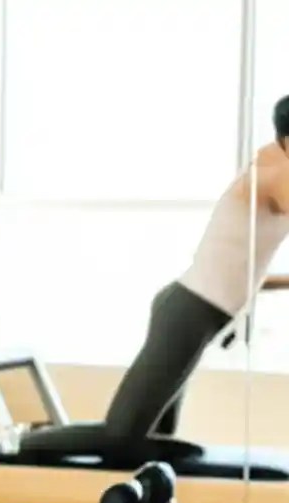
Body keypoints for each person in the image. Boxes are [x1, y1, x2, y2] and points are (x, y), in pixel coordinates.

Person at [103, 94, 289, 441]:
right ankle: (13, 444)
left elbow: (243, 267)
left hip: (195, 311)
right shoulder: (275, 167)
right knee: (121, 438)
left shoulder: (276, 164)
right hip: (189, 312)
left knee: (156, 438)